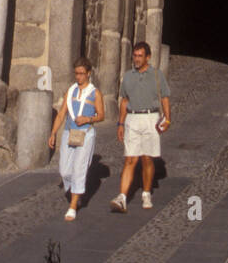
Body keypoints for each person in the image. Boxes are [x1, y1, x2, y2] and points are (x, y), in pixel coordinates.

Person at [110, 41, 171, 213]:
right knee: (130, 158)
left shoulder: (157, 75)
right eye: (135, 56)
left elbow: (165, 98)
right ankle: (122, 197)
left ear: (148, 57)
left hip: (151, 117)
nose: (136, 59)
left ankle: (146, 192)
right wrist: (120, 123)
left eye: (139, 56)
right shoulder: (128, 76)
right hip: (132, 118)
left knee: (147, 158)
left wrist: (167, 119)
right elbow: (124, 101)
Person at [48, 57, 104, 220]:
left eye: (81, 74)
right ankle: (76, 192)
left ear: (88, 73)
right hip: (69, 132)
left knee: (79, 169)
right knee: (65, 170)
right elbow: (61, 113)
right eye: (76, 73)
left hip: (86, 133)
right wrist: (53, 133)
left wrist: (87, 119)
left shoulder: (95, 93)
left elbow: (101, 115)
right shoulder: (71, 90)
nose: (78, 77)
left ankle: (73, 205)